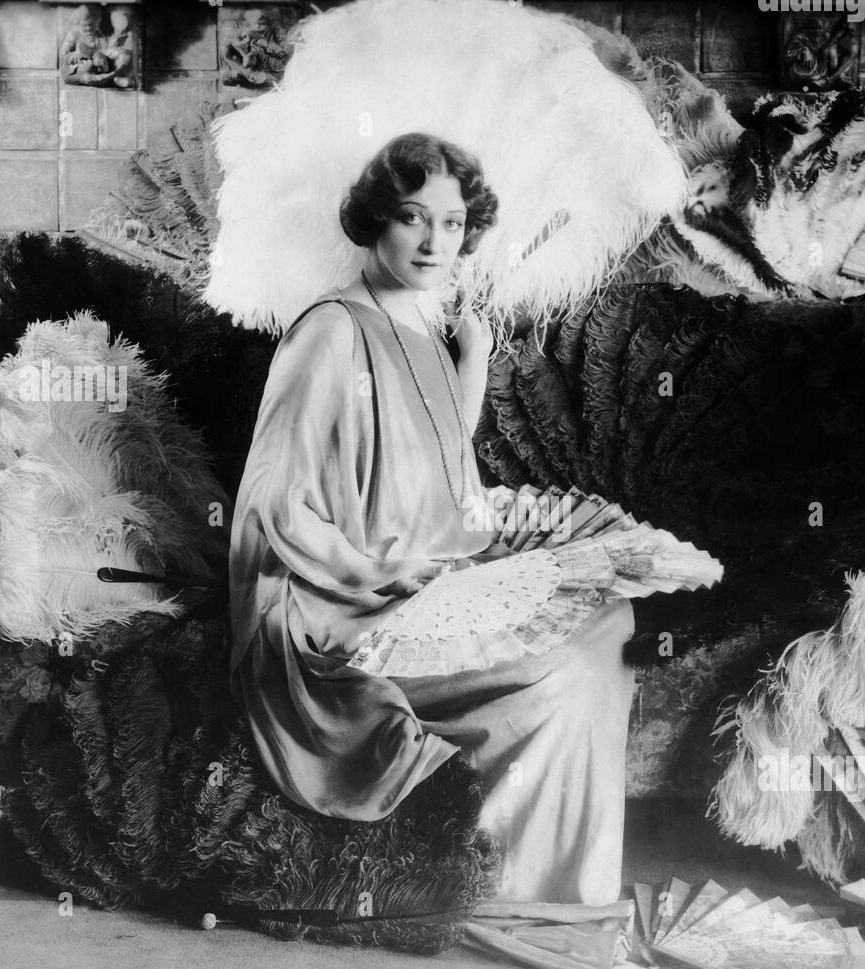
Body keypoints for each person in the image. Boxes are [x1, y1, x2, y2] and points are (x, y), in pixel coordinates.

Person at [228, 133, 636, 905]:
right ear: (375, 220)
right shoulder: (328, 332)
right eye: (413, 219)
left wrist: (473, 354)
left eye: (451, 225)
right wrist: (383, 571)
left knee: (602, 625)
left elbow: (439, 458)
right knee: (555, 668)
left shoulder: (417, 326)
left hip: (421, 580)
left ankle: (563, 890)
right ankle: (518, 899)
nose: (433, 242)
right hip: (337, 609)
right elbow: (272, 506)